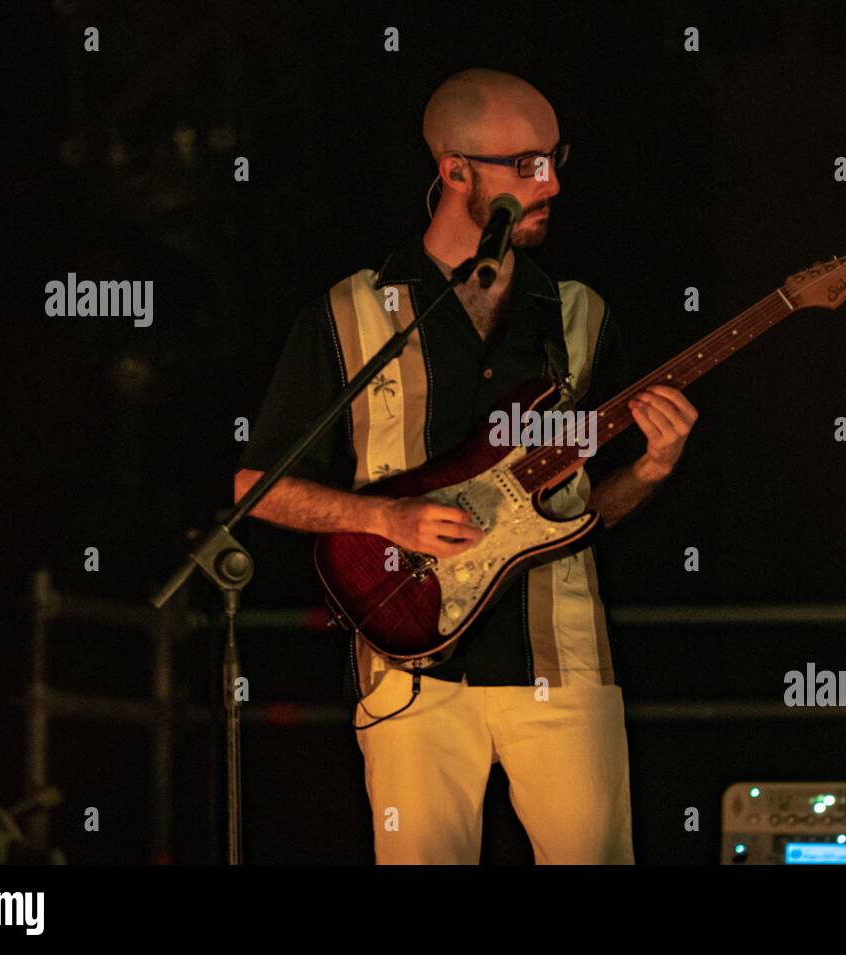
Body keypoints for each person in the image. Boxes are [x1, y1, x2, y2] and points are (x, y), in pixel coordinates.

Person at [234, 68, 697, 863]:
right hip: (409, 667)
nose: (549, 181)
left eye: (554, 158)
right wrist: (383, 516)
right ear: (453, 172)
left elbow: (591, 510)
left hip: (565, 662)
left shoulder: (579, 315)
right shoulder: (350, 312)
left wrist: (653, 469)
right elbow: (257, 489)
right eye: (523, 164)